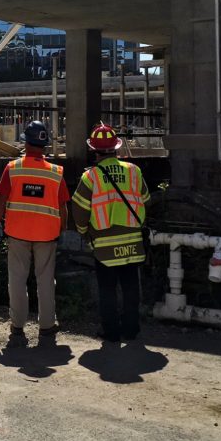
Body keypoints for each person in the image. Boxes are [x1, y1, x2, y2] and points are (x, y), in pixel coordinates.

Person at [71, 123, 150, 345]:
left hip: (104, 244)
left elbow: (78, 209)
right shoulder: (134, 171)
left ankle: (112, 333)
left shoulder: (91, 177)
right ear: (116, 148)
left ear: (94, 151)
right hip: (133, 241)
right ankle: (131, 330)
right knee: (130, 287)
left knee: (107, 289)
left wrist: (84, 231)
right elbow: (145, 200)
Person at [0, 121, 69, 342]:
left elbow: (0, 199)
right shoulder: (56, 172)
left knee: (17, 279)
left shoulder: (13, 168)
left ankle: (17, 327)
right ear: (44, 145)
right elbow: (63, 206)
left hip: (17, 232)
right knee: (45, 280)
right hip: (47, 234)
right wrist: (61, 229)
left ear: (25, 142)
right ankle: (46, 326)